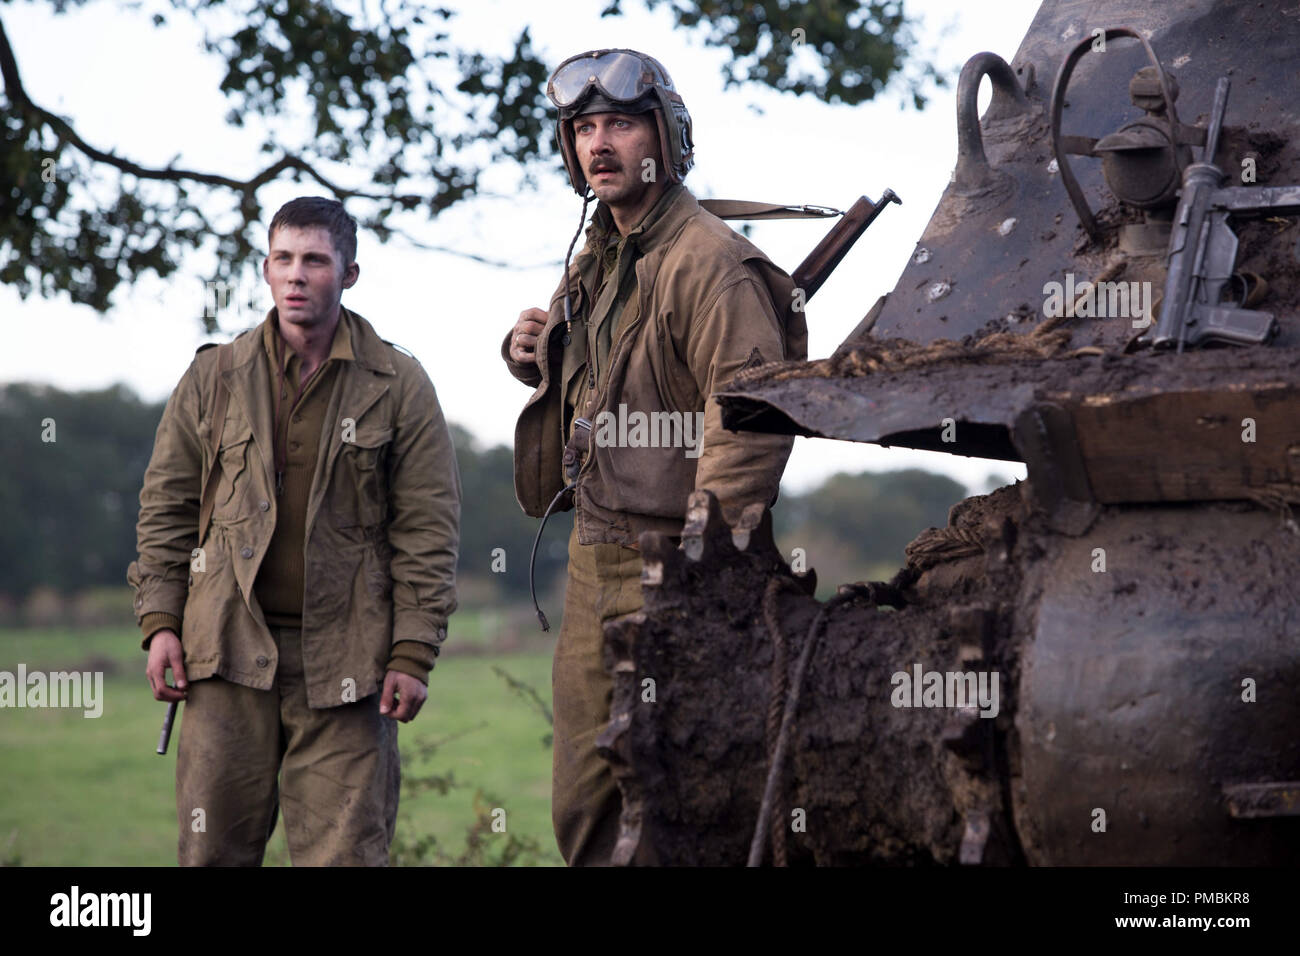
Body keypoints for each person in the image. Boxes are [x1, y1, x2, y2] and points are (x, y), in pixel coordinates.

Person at [502, 49, 808, 866]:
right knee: (586, 803)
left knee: (678, 795)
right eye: (584, 128)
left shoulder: (710, 263)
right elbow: (604, 387)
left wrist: (703, 570)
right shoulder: (601, 254)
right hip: (592, 555)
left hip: (673, 561)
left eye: (622, 124)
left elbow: (747, 421)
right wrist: (532, 351)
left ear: (665, 140)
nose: (600, 143)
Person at [128, 197, 460, 866]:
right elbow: (166, 507)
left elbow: (428, 528)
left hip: (348, 659)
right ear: (265, 269)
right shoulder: (214, 376)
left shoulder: (398, 383)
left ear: (350, 274)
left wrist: (412, 652)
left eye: (314, 260)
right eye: (283, 259)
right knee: (210, 853)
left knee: (346, 857)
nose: (297, 275)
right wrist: (160, 620)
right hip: (224, 649)